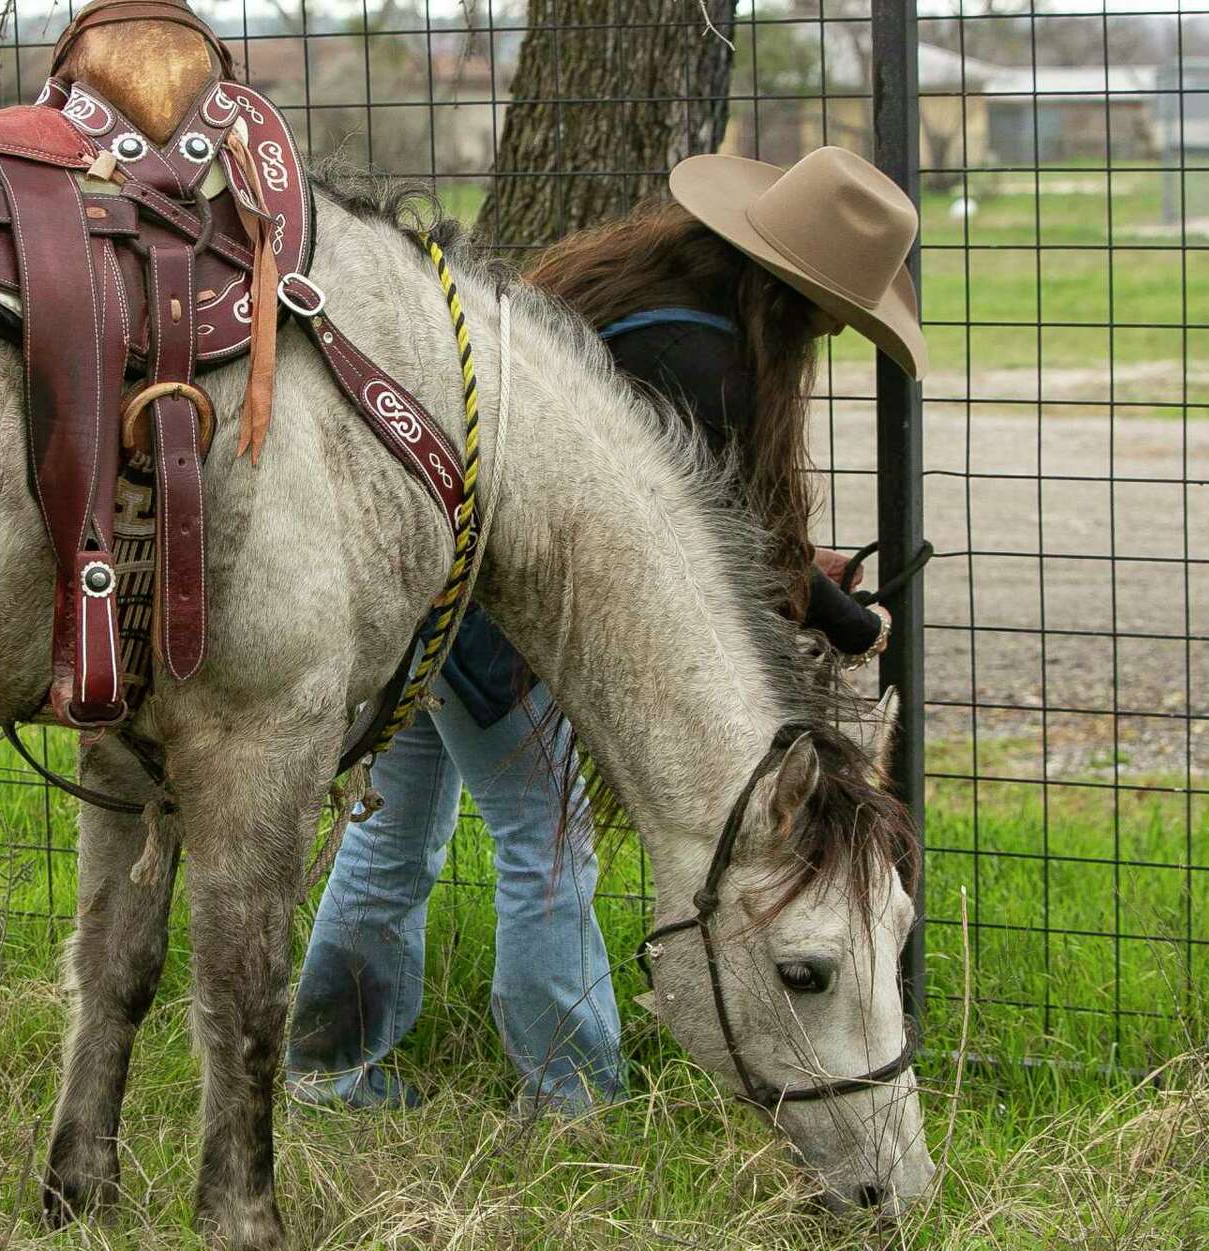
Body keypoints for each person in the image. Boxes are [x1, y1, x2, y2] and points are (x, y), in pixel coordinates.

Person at [285, 145, 927, 1116]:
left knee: (397, 836)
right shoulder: (706, 363)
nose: (838, 325)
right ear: (799, 289)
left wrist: (815, 575)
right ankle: (571, 1091)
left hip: (440, 579)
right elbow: (696, 547)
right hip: (510, 626)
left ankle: (330, 1067)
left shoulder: (640, 294)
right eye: (838, 306)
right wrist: (843, 614)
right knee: (545, 841)